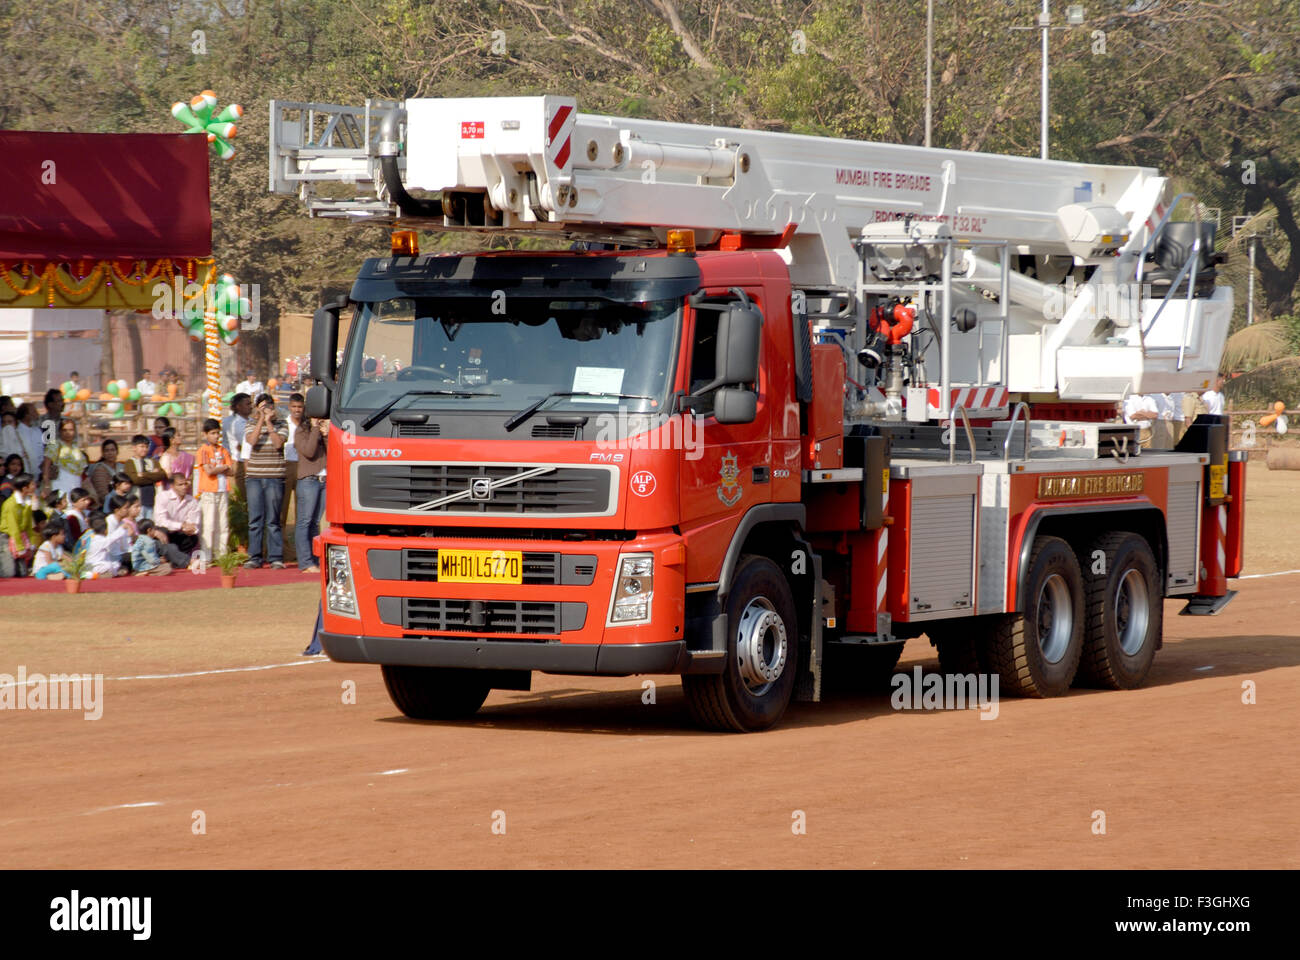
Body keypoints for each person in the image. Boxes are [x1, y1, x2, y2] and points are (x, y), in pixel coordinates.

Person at [244, 392, 288, 569]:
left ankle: (275, 557)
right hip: (254, 477)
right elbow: (252, 441)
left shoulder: (282, 423)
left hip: (275, 476)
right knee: (255, 519)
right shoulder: (251, 423)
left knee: (273, 519)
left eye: (268, 406)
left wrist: (269, 422)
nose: (265, 410)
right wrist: (261, 420)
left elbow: (278, 444)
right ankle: (254, 557)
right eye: (261, 407)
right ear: (256, 408)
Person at [293, 410, 328, 573]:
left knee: (315, 523)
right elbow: (309, 451)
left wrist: (327, 435)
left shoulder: (322, 431)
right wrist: (315, 430)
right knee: (304, 522)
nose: (318, 420)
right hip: (308, 480)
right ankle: (305, 562)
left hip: (324, 480)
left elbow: (332, 452)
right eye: (315, 417)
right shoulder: (301, 431)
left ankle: (315, 560)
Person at [196, 418, 233, 561]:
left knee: (223, 524)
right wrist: (223, 468)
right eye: (212, 433)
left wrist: (220, 469)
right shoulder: (203, 451)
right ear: (205, 434)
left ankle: (221, 555)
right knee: (209, 524)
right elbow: (208, 471)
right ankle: (206, 556)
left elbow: (231, 471)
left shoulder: (224, 450)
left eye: (217, 433)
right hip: (209, 491)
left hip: (223, 490)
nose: (216, 436)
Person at [280, 393, 308, 565]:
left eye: (300, 407)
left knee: (302, 512)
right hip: (286, 465)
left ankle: (301, 551)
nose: (297, 410)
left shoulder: (306, 425)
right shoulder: (284, 424)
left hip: (303, 466)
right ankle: (283, 551)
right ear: (289, 407)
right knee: (282, 511)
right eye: (294, 407)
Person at [154, 472, 202, 557]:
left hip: (180, 533)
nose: (184, 487)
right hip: (166, 532)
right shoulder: (162, 496)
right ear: (172, 486)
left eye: (185, 484)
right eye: (180, 485)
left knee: (193, 538)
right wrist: (181, 525)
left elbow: (194, 522)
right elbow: (160, 521)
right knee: (161, 532)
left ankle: (179, 557)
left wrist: (190, 528)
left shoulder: (192, 501)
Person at [0, 472, 38, 577]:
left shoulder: (26, 502)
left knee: (22, 573)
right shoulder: (11, 504)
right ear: (25, 488)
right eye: (32, 485)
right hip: (7, 537)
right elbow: (13, 528)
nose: (35, 487)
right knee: (9, 573)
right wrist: (20, 547)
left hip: (20, 536)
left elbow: (29, 525)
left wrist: (31, 542)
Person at [125, 434, 167, 520]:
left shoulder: (152, 461)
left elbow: (162, 475)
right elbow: (135, 480)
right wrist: (152, 475)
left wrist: (144, 474)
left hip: (152, 500)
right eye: (142, 446)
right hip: (138, 501)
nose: (145, 449)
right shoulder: (130, 463)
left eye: (147, 447)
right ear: (134, 447)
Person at [48, 418, 89, 500]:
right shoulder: (54, 445)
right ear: (60, 431)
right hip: (60, 482)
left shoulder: (76, 447)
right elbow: (46, 465)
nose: (68, 433)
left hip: (75, 482)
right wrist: (46, 485)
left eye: (71, 430)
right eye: (64, 430)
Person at [223, 393, 252, 502]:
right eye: (247, 404)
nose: (250, 406)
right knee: (242, 496)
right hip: (239, 462)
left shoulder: (251, 421)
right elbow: (245, 445)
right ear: (238, 407)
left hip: (248, 460)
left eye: (250, 403)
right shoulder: (231, 422)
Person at [84, 512, 129, 578]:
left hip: (97, 564)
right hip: (93, 565)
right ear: (105, 530)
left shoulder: (95, 538)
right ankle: (94, 575)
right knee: (108, 565)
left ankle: (108, 574)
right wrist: (122, 528)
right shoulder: (99, 540)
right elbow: (112, 538)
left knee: (116, 564)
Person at [85, 438, 122, 505]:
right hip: (107, 505)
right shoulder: (99, 469)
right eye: (107, 451)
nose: (110, 453)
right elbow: (102, 494)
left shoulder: (121, 467)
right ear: (103, 453)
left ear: (117, 452)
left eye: (112, 450)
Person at [14, 402, 46, 480]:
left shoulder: (38, 430)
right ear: (26, 415)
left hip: (40, 474)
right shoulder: (17, 432)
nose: (37, 414)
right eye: (34, 411)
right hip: (26, 474)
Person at [158, 426, 195, 491]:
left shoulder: (185, 455)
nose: (181, 437)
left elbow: (191, 474)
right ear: (172, 440)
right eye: (178, 435)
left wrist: (187, 482)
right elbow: (169, 477)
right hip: (172, 491)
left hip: (186, 489)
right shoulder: (166, 457)